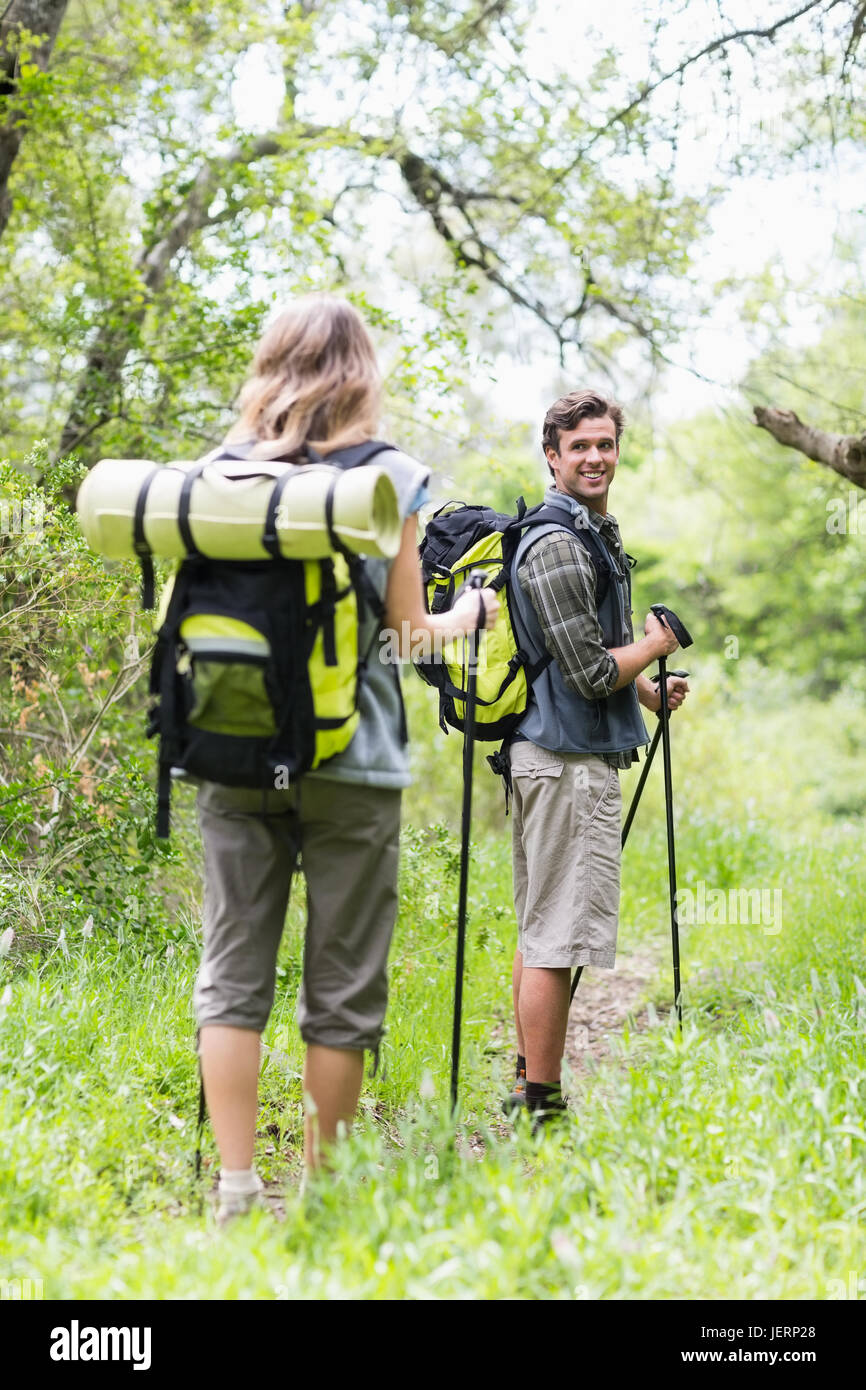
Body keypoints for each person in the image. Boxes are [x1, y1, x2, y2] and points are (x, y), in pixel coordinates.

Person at [193, 294, 498, 1222]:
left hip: (235, 753)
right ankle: (323, 1195)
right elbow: (409, 636)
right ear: (361, 371)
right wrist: (470, 616)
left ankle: (237, 1188)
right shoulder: (392, 478)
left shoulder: (216, 473)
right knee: (343, 985)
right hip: (354, 763)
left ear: (271, 364)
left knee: (232, 971)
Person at [504, 389, 689, 1128]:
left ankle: (529, 1085)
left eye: (604, 444)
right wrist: (656, 642)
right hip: (562, 761)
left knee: (542, 925)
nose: (594, 457)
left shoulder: (592, 531)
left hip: (563, 755)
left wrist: (643, 687)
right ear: (551, 455)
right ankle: (541, 1104)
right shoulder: (554, 542)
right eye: (578, 446)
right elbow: (584, 675)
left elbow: (581, 647)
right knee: (555, 936)